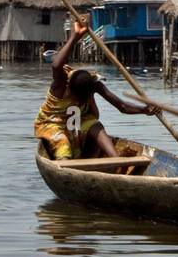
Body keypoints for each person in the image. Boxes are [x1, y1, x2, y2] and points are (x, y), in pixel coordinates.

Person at [35, 17, 160, 160]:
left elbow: (122, 106)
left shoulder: (94, 83)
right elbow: (56, 65)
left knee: (95, 125)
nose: (81, 101)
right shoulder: (62, 83)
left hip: (78, 122)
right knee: (63, 145)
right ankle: (65, 163)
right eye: (78, 98)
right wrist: (75, 37)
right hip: (52, 123)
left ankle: (115, 159)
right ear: (70, 89)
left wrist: (144, 110)